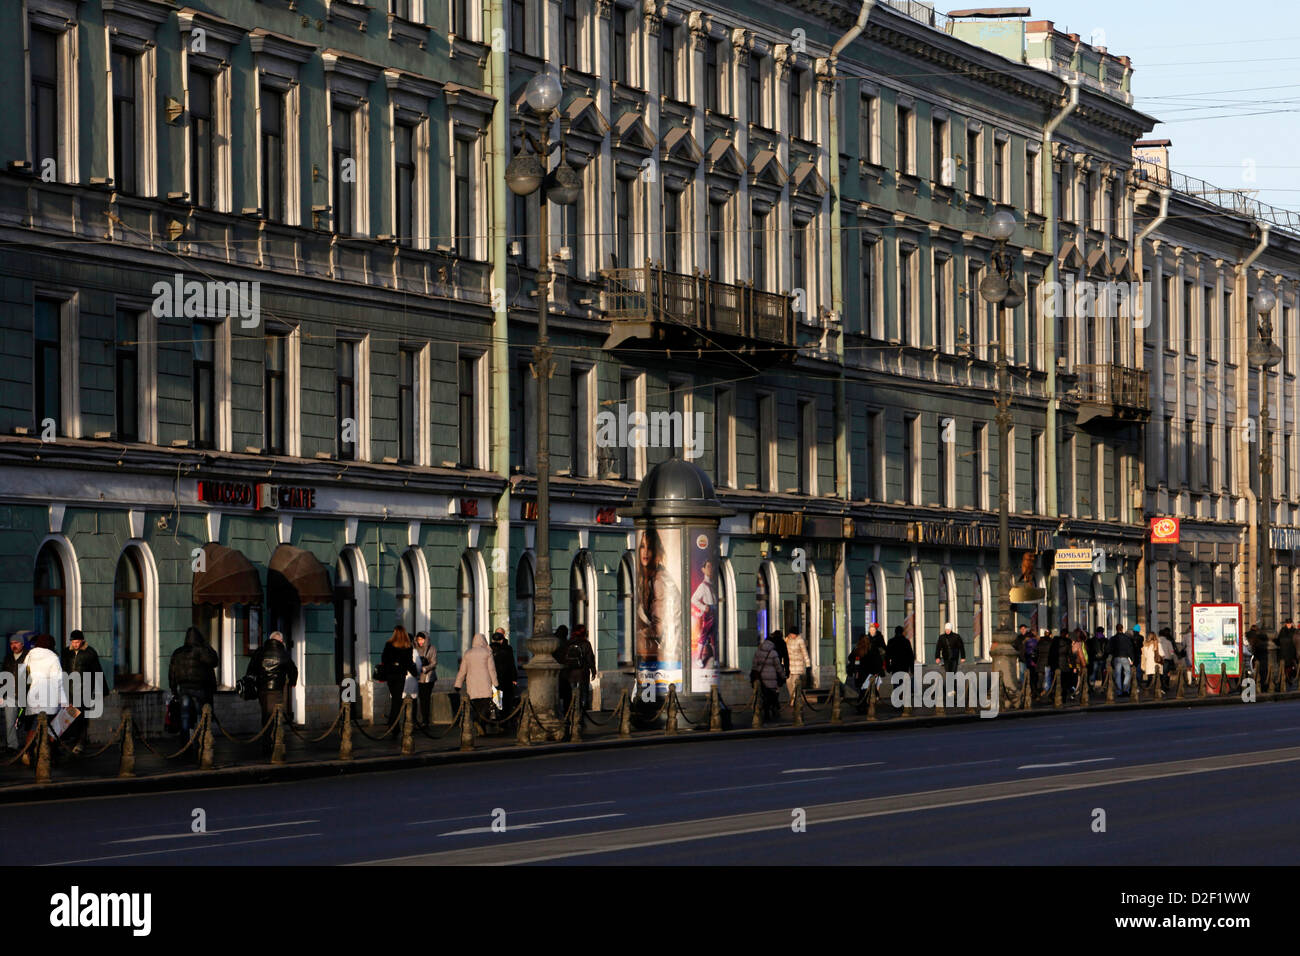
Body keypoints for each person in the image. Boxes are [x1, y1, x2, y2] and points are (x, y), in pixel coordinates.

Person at [20, 634, 66, 767]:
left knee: (34, 726)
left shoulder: (30, 655)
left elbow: (23, 675)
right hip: (50, 697)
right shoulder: (53, 657)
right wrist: (63, 700)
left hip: (33, 696)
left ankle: (27, 753)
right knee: (51, 726)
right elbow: (58, 681)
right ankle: (47, 754)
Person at [168, 626, 218, 745]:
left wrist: (174, 689)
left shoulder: (178, 652)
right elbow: (214, 661)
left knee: (185, 716)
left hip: (184, 689)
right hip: (200, 688)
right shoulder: (201, 651)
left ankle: (185, 741)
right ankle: (203, 741)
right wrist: (207, 646)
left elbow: (172, 673)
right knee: (202, 715)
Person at [244, 630, 299, 732]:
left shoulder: (260, 651)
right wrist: (292, 682)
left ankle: (267, 739)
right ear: (281, 640)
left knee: (265, 714)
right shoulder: (283, 653)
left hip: (262, 689)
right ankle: (273, 739)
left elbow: (251, 669)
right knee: (274, 716)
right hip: (276, 689)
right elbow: (293, 669)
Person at [59, 630, 102, 752]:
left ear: (82, 640)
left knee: (82, 716)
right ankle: (72, 739)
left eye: (77, 641)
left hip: (85, 689)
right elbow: (63, 670)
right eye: (73, 641)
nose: (75, 644)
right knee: (70, 715)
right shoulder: (66, 652)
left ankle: (80, 741)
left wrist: (98, 690)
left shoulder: (89, 653)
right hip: (70, 690)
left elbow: (97, 671)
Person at [454, 633, 499, 728]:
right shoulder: (487, 652)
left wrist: (458, 685)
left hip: (472, 684)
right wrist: (496, 683)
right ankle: (481, 724)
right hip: (485, 683)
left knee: (475, 706)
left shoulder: (468, 653)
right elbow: (492, 669)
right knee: (485, 706)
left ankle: (477, 722)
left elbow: (462, 671)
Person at [380, 626, 421, 727]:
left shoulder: (389, 644)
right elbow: (409, 663)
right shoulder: (407, 646)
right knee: (397, 700)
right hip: (400, 676)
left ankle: (393, 724)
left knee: (395, 699)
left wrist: (392, 664)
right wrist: (415, 673)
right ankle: (393, 724)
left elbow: (384, 659)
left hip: (390, 676)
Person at [3, 631, 31, 753]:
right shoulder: (8, 658)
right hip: (9, 694)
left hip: (25, 695)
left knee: (24, 722)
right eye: (11, 643)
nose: (13, 645)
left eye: (16, 643)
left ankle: (26, 746)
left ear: (22, 644)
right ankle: (12, 746)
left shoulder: (28, 657)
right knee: (9, 722)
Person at [749, 632, 785, 722]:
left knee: (763, 695)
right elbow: (778, 667)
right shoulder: (773, 653)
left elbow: (754, 665)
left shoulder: (758, 651)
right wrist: (783, 675)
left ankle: (764, 712)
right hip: (771, 678)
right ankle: (771, 710)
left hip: (761, 678)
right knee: (772, 695)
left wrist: (754, 675)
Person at [562, 625, 597, 717]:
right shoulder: (586, 643)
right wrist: (593, 670)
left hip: (570, 672)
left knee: (571, 692)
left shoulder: (568, 643)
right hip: (583, 672)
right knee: (583, 692)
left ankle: (571, 710)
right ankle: (581, 712)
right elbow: (590, 658)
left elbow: (564, 658)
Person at [489, 629, 518, 720]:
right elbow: (511, 665)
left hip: (492, 678)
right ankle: (503, 719)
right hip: (505, 679)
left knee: (495, 698)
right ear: (502, 639)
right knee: (505, 701)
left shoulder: (488, 650)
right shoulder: (507, 649)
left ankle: (494, 717)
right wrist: (514, 678)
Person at [413, 631, 438, 727]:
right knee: (417, 699)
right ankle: (417, 720)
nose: (420, 641)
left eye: (422, 639)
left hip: (428, 678)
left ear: (426, 639)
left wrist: (425, 668)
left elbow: (434, 662)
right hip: (418, 678)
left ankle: (425, 720)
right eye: (418, 639)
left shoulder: (432, 648)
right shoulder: (415, 649)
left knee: (425, 699)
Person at [784, 626, 810, 699]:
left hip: (798, 665)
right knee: (788, 682)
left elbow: (805, 653)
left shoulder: (800, 640)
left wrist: (808, 664)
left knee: (795, 683)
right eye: (791, 634)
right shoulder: (787, 640)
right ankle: (792, 697)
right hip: (789, 665)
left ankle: (795, 699)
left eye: (794, 634)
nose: (793, 635)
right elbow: (784, 652)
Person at [1022, 629, 1040, 693]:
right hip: (1036, 660)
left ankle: (1031, 689)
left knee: (1030, 676)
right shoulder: (1037, 640)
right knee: (1035, 676)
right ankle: (1035, 690)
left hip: (1029, 660)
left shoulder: (1026, 641)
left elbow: (1023, 651)